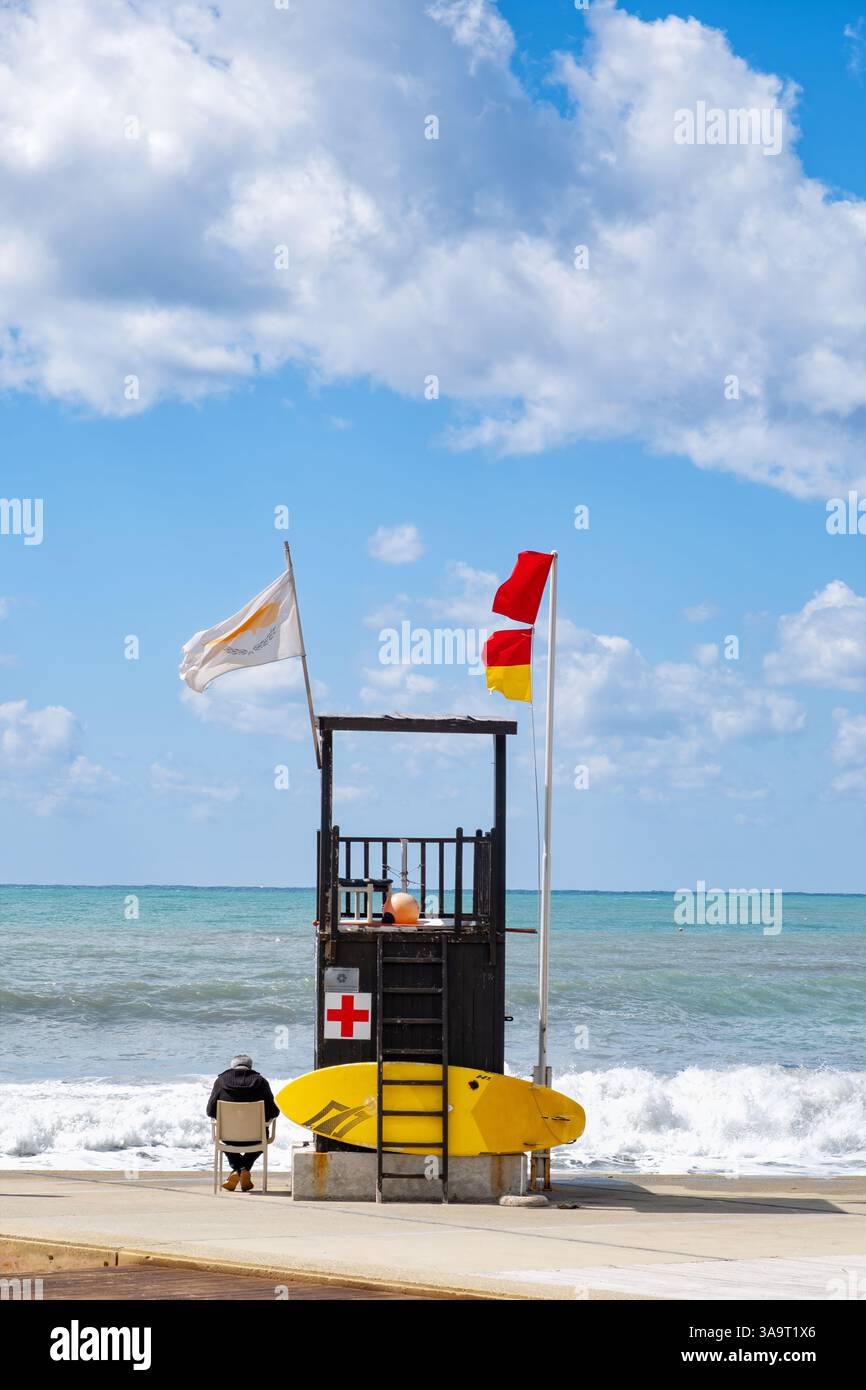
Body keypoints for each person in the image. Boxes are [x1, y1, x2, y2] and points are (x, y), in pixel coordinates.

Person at [207, 1054, 279, 1192]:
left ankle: (237, 1170)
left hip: (228, 1137)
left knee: (222, 1138)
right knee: (263, 1138)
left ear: (232, 1068)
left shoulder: (220, 1082)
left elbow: (210, 1111)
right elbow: (274, 1112)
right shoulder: (261, 1082)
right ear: (250, 1068)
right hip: (257, 1138)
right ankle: (243, 1169)